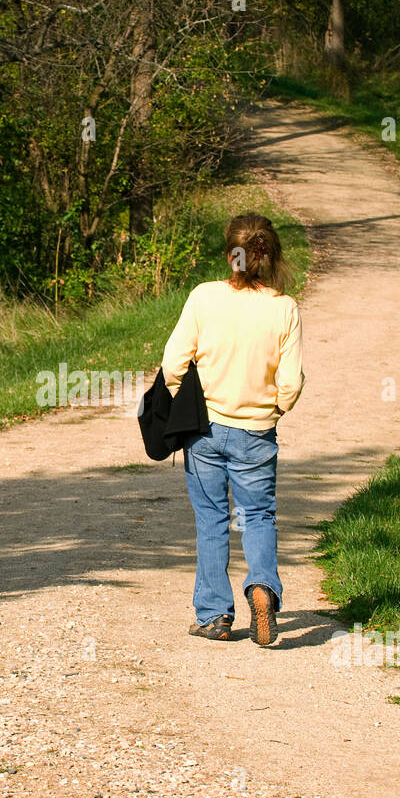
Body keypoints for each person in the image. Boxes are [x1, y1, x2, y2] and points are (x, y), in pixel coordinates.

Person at [161, 214, 304, 646]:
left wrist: (180, 405)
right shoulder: (284, 308)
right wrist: (272, 410)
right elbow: (292, 382)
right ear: (273, 256)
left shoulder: (204, 298)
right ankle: (261, 587)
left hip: (205, 429)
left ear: (231, 256)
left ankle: (214, 615)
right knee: (258, 516)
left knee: (212, 520)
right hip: (256, 432)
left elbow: (173, 363)